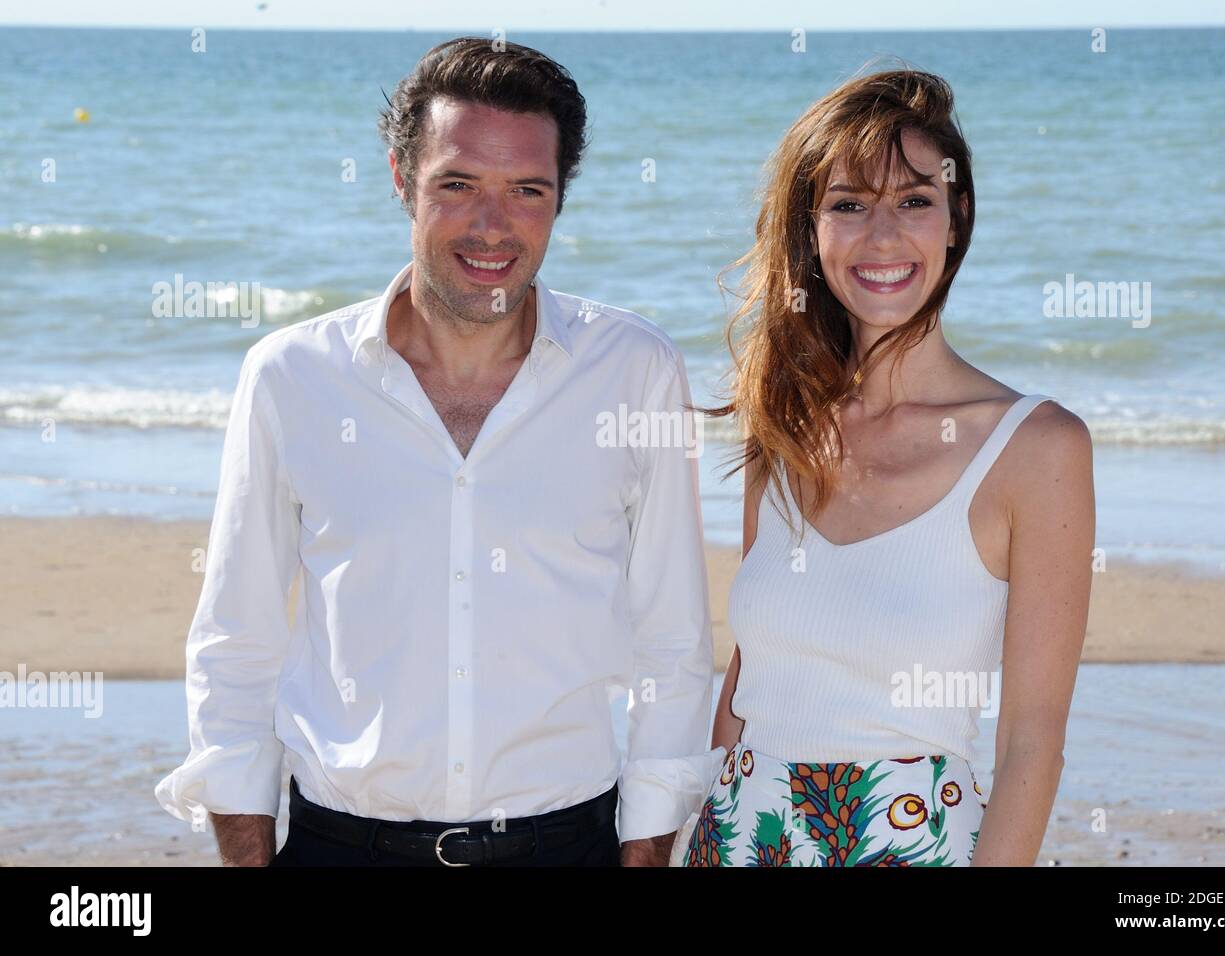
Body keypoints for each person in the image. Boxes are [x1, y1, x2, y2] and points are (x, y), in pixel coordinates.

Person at [155, 37, 716, 867]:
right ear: (399, 178)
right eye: (457, 185)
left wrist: (644, 856)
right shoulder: (292, 378)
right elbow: (236, 642)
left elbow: (673, 646)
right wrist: (247, 857)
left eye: (527, 189)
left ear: (560, 198)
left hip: (568, 845)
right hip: (338, 846)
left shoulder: (635, 372)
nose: (492, 225)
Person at [679, 68, 1094, 866]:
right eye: (848, 204)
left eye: (913, 200)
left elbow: (1033, 742)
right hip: (736, 836)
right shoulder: (784, 424)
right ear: (811, 230)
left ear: (955, 218)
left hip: (910, 839)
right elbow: (747, 674)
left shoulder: (1037, 449)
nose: (881, 237)